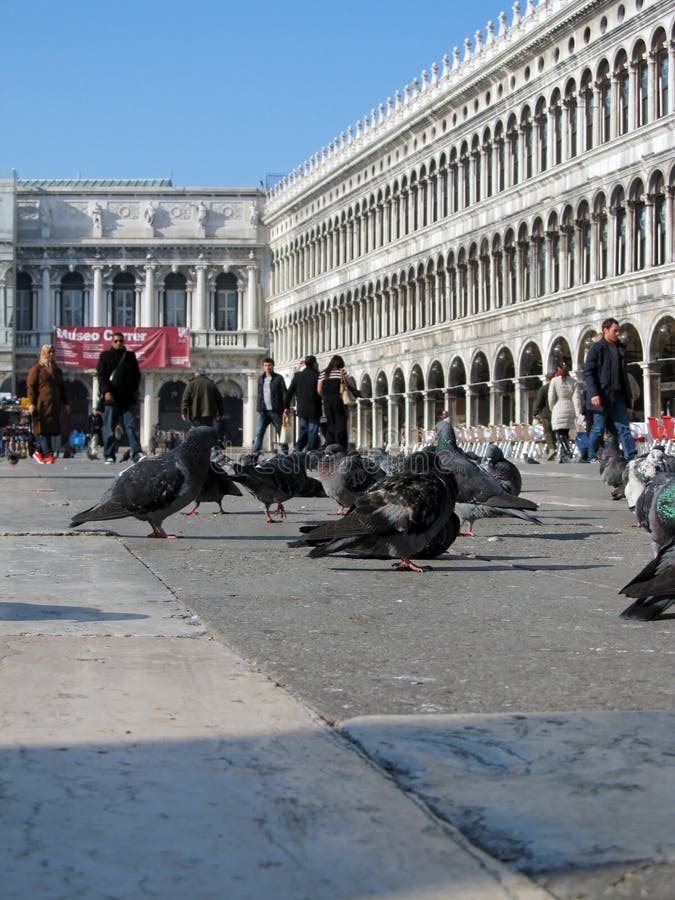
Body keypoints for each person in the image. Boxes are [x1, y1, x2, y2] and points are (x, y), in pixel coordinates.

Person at [583, 317, 637, 462]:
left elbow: (623, 374)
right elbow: (588, 373)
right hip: (602, 394)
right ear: (605, 330)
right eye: (615, 330)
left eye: (618, 330)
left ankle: (631, 455)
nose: (617, 333)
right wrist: (594, 393)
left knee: (624, 426)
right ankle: (592, 455)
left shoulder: (620, 348)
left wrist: (628, 394)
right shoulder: (597, 349)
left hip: (618, 393)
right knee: (598, 427)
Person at [96, 332, 144, 464]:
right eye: (116, 341)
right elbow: (101, 376)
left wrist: (133, 390)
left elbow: (137, 375)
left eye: (121, 341)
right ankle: (109, 454)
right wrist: (106, 391)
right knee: (109, 428)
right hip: (111, 399)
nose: (119, 343)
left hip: (128, 398)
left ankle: (136, 453)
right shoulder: (105, 356)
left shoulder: (130, 356)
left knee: (131, 427)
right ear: (111, 342)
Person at [27, 344, 70, 464]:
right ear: (44, 353)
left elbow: (62, 388)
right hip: (41, 404)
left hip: (54, 405)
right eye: (49, 352)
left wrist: (66, 403)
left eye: (53, 352)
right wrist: (31, 403)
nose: (51, 354)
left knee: (50, 430)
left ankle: (39, 451)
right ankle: (48, 454)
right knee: (42, 429)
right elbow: (31, 387)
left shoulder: (57, 370)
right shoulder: (37, 369)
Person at [317, 354, 357, 449]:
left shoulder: (323, 374)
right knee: (340, 423)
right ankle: (341, 446)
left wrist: (325, 397)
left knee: (330, 423)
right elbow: (351, 385)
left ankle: (330, 445)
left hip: (327, 401)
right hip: (338, 401)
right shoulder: (341, 372)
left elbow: (319, 390)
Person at [284, 355, 322, 451]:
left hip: (302, 409)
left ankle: (298, 449)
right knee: (312, 432)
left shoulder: (298, 376)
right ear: (314, 364)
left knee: (303, 431)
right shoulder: (318, 375)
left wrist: (286, 406)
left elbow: (289, 392)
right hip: (314, 408)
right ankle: (309, 452)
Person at [252, 357, 286, 455]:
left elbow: (284, 393)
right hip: (263, 411)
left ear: (273, 366)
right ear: (263, 367)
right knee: (259, 433)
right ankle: (254, 455)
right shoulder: (260, 378)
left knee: (281, 433)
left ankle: (286, 453)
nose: (268, 367)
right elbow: (259, 394)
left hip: (275, 411)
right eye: (266, 365)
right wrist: (258, 408)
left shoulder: (278, 378)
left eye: (269, 365)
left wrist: (285, 408)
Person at [548, 363, 580, 462]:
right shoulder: (574, 381)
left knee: (560, 433)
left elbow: (551, 397)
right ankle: (563, 456)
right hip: (570, 407)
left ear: (558, 369)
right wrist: (577, 412)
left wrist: (552, 408)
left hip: (559, 407)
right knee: (565, 433)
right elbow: (577, 398)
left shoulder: (554, 381)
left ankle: (567, 451)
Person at [533, 372, 556, 460]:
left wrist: (535, 412)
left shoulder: (543, 389)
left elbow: (539, 401)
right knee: (554, 432)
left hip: (546, 414)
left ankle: (551, 449)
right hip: (555, 413)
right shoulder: (556, 388)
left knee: (547, 432)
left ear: (546, 379)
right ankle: (551, 449)